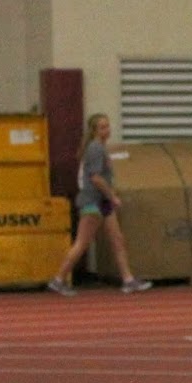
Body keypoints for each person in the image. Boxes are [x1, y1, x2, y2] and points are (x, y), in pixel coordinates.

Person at [48, 113, 153, 295]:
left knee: (117, 239)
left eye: (108, 125)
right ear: (94, 130)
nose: (108, 129)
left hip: (102, 201)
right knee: (82, 242)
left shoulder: (100, 148)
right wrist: (112, 196)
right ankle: (58, 279)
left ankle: (128, 279)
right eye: (103, 127)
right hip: (93, 201)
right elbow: (96, 178)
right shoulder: (96, 149)